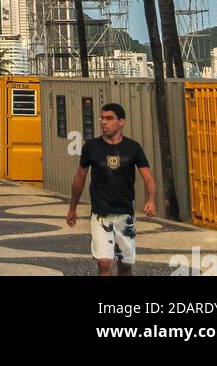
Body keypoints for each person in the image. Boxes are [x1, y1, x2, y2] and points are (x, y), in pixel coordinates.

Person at [67, 102, 156, 277]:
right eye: (102, 118)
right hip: (101, 215)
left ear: (121, 122)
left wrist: (151, 200)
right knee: (104, 263)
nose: (104, 122)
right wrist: (72, 208)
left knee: (125, 266)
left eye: (109, 118)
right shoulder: (91, 147)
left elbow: (148, 178)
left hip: (125, 215)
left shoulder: (133, 148)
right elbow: (80, 178)